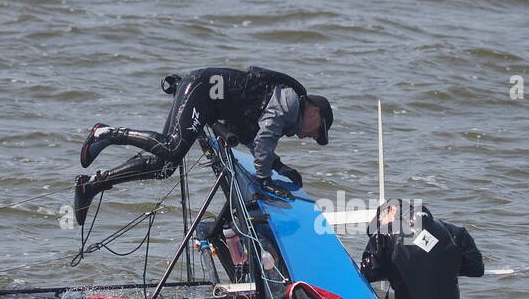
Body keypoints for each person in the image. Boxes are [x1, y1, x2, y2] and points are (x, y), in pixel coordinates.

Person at [72, 66, 333, 226]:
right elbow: (266, 137)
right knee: (172, 147)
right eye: (317, 132)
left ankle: (93, 184)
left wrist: (279, 167)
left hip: (206, 99)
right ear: (315, 112)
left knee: (164, 167)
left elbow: (254, 140)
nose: (310, 137)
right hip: (201, 89)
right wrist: (264, 179)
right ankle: (106, 133)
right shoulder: (290, 102)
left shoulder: (280, 110)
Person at [359, 199, 484, 299]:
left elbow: (368, 273)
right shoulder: (456, 232)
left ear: (392, 210)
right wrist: (440, 267)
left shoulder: (385, 232)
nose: (380, 226)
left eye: (380, 221)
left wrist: (395, 268)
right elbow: (476, 268)